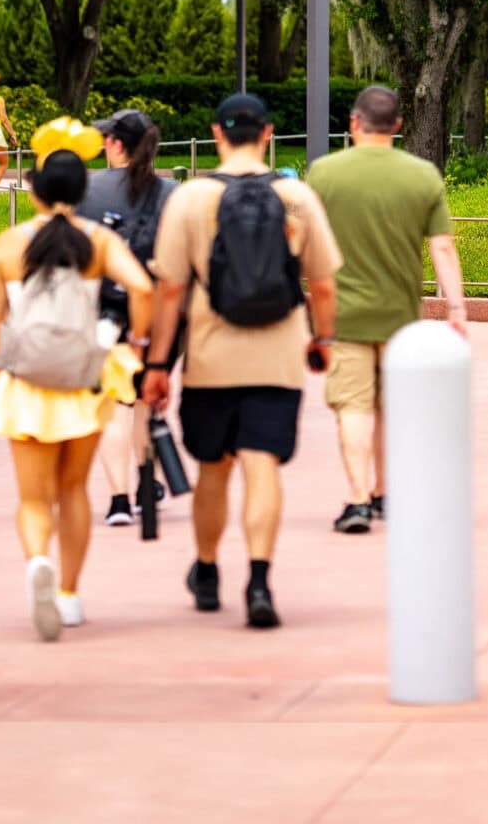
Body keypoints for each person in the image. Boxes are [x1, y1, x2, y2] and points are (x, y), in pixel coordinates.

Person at [143, 93, 340, 629]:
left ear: (217, 133)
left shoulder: (189, 199)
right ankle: (258, 579)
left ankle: (206, 572)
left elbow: (169, 291)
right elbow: (322, 283)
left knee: (214, 467)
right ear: (269, 133)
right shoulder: (296, 196)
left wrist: (158, 366)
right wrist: (323, 339)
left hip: (211, 358)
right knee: (262, 466)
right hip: (277, 356)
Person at [0, 123, 155, 640]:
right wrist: (135, 345)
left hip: (26, 380)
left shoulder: (10, 243)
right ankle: (71, 595)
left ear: (32, 191)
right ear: (82, 192)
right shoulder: (97, 240)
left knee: (33, 499)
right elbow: (142, 288)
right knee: (74, 490)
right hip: (82, 378)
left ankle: (38, 560)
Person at [305, 85, 468, 535]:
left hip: (343, 316)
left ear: (354, 123)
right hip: (401, 319)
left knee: (353, 407)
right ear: (397, 126)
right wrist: (456, 309)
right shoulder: (422, 176)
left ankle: (357, 500)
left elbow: (304, 243)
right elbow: (443, 247)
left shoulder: (322, 174)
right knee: (389, 408)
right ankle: (385, 494)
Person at [79, 108, 176, 526]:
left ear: (116, 145)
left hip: (104, 312)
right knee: (143, 404)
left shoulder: (88, 190)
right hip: (157, 311)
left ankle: (118, 497)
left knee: (113, 403)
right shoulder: (171, 192)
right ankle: (144, 485)